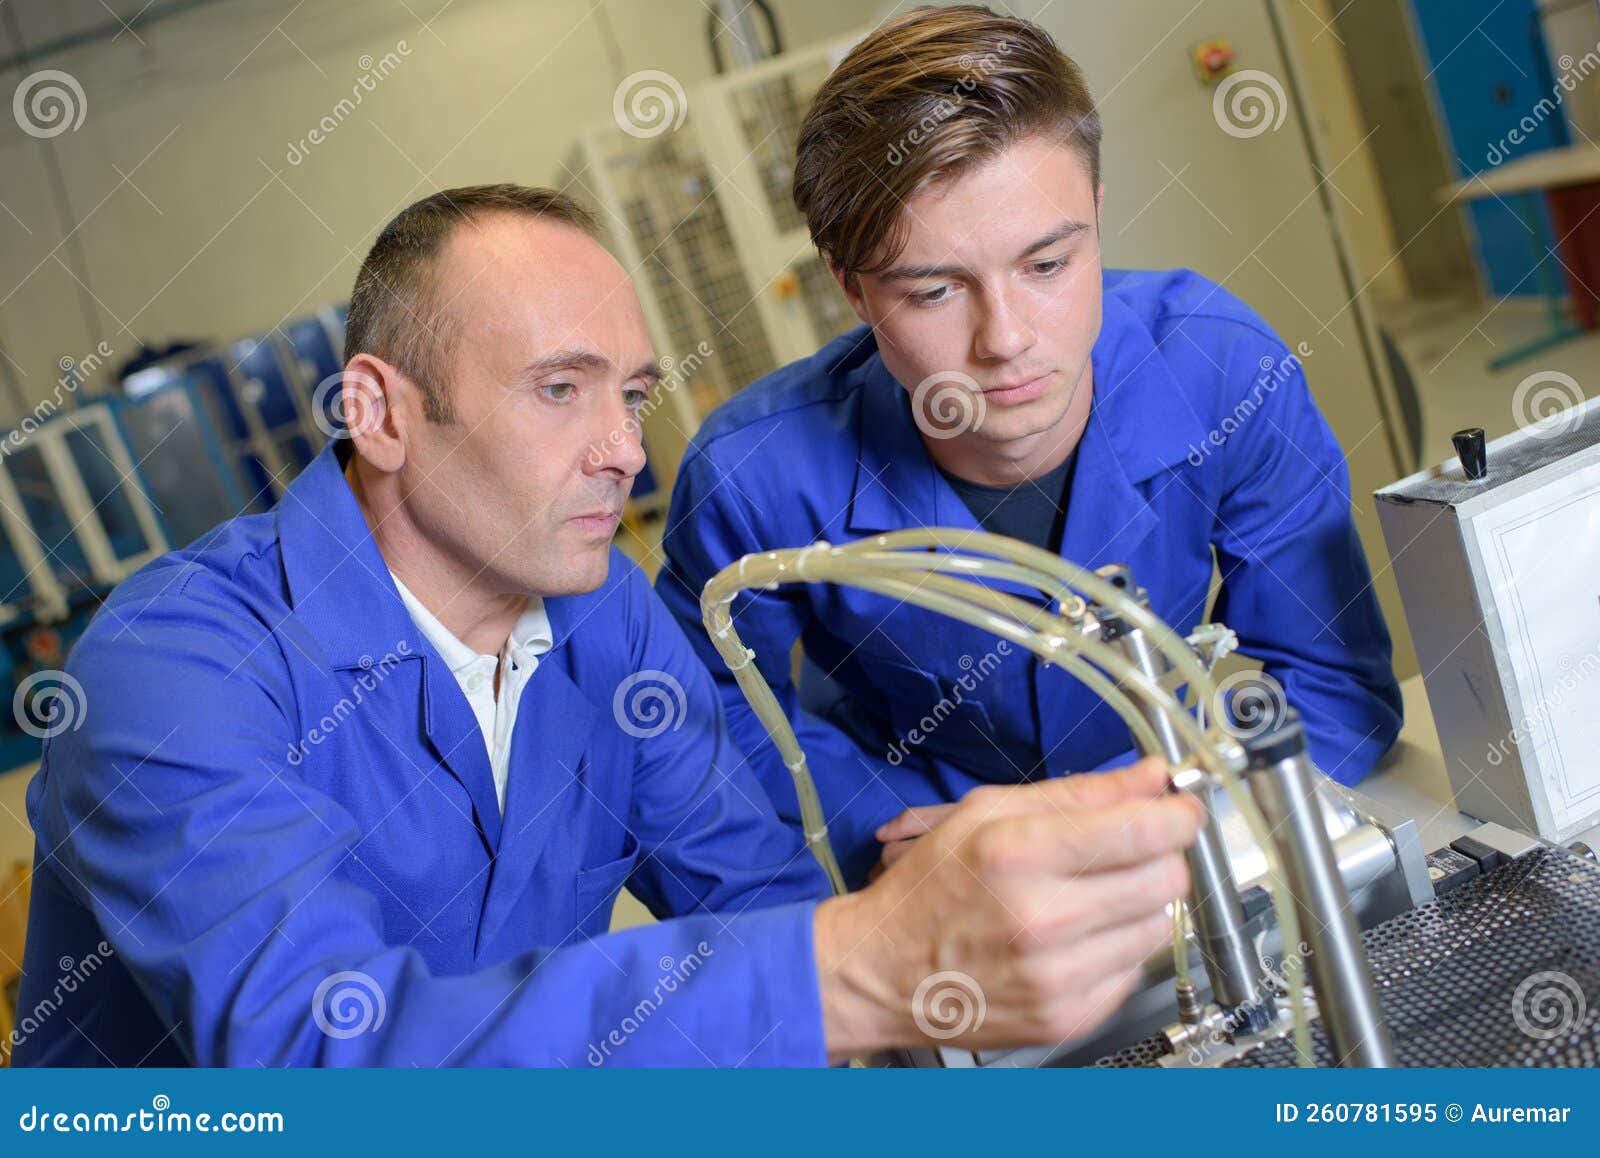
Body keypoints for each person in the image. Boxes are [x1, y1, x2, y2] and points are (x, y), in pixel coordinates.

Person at [13, 185, 1202, 1067]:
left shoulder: (602, 617)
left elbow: (750, 894)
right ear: (380, 412)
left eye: (630, 394)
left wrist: (905, 912)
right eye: (558, 389)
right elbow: (322, 1054)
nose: (624, 449)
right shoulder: (170, 670)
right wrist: (851, 969)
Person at [657, 5, 1403, 888]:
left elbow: (1333, 687)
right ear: (851, 288)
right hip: (919, 837)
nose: (1006, 339)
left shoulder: (1218, 368)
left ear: (1095, 209)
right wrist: (874, 847)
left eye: (1046, 266)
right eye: (935, 290)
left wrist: (1089, 828)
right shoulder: (756, 475)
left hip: (1180, 809)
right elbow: (701, 754)